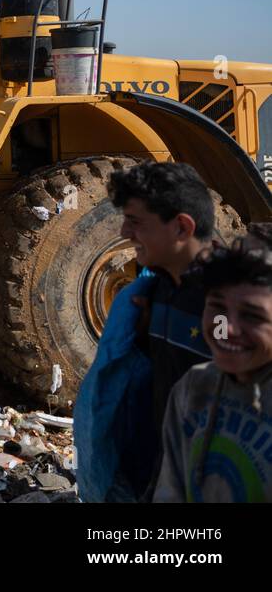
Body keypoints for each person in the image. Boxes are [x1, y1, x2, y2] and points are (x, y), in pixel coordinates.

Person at [74, 161, 220, 501]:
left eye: (136, 222)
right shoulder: (154, 293)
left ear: (182, 228)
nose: (124, 232)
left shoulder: (232, 303)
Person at [155, 228, 272, 502]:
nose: (226, 329)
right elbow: (170, 491)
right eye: (217, 308)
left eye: (252, 315)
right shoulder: (193, 388)